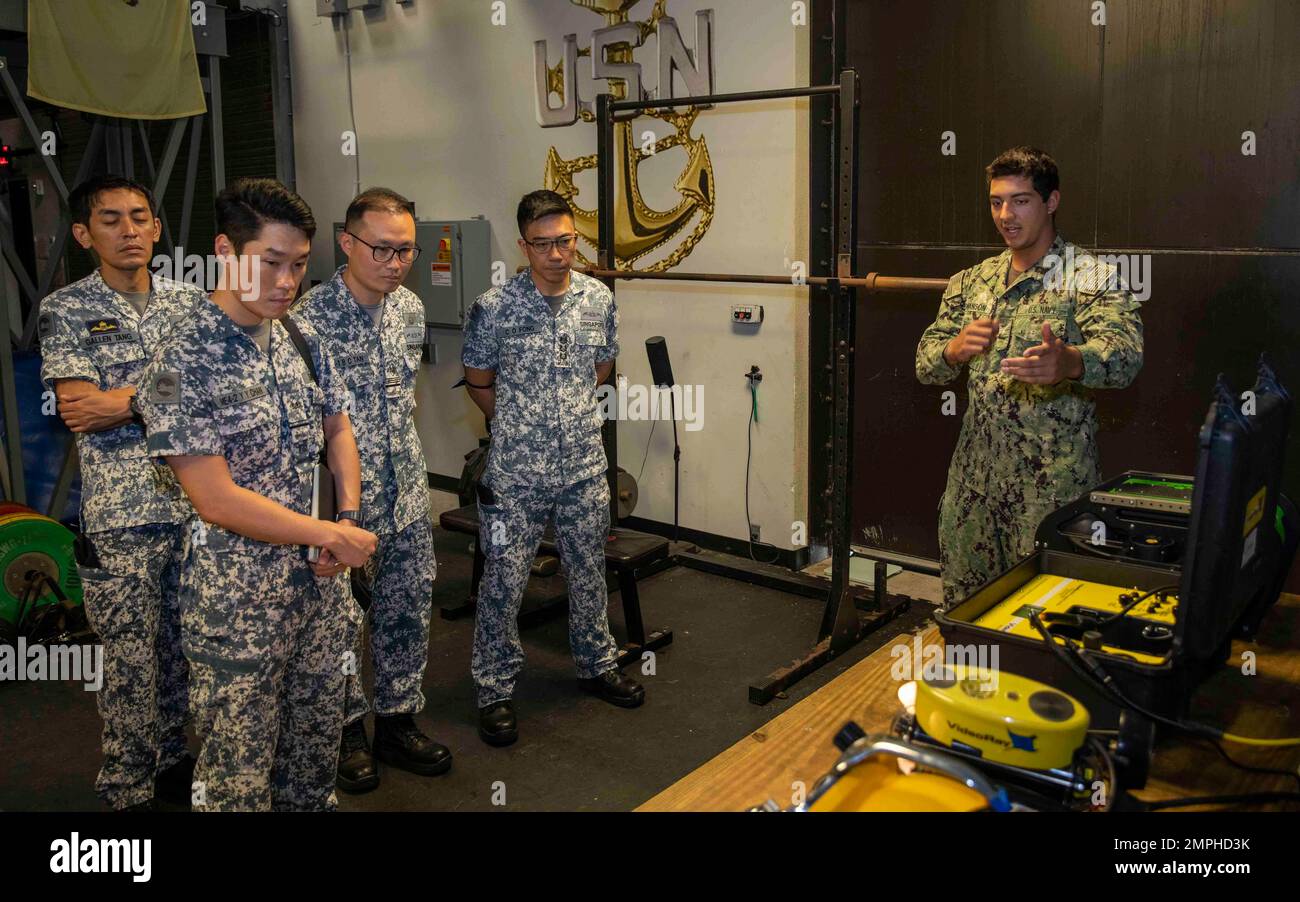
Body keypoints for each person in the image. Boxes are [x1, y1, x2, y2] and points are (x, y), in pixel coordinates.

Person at [136, 177, 378, 810]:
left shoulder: (301, 337)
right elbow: (214, 498)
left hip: (319, 590)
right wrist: (330, 534)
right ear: (225, 250)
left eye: (298, 265)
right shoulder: (176, 362)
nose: (286, 281)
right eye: (270, 262)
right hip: (237, 608)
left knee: (314, 762)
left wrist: (345, 515)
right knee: (236, 779)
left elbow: (338, 428)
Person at [37, 175, 206, 811]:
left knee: (190, 651)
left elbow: (213, 387)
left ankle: (174, 763)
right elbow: (80, 409)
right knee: (131, 663)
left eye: (139, 217)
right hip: (122, 515)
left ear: (157, 229)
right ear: (84, 234)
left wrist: (126, 400)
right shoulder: (66, 309)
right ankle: (129, 789)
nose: (129, 230)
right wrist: (164, 391)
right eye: (110, 220)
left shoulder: (191, 303)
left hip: (199, 503)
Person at [916, 146, 1144, 609]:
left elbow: (1125, 354)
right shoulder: (972, 282)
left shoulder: (1090, 278)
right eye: (996, 202)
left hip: (1051, 493)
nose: (1006, 215)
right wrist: (953, 349)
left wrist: (1071, 362)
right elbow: (925, 363)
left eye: (1020, 201)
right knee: (968, 610)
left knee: (1047, 616)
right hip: (973, 489)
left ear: (1051, 201)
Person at [461, 189, 643, 747]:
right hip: (515, 474)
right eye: (542, 244)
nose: (557, 254)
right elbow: (478, 382)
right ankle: (494, 689)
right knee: (503, 578)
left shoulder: (597, 298)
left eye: (565, 241)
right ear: (523, 246)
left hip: (584, 467)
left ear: (575, 239)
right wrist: (521, 422)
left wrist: (569, 413)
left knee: (588, 571)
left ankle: (596, 663)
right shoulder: (494, 307)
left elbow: (602, 366)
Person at [292, 187, 448, 793]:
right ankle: (346, 731)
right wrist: (332, 515)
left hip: (405, 491)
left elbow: (402, 404)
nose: (395, 262)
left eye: (406, 250)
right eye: (381, 249)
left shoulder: (409, 309)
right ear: (346, 243)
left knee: (406, 607)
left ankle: (399, 721)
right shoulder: (306, 321)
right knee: (338, 621)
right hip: (340, 500)